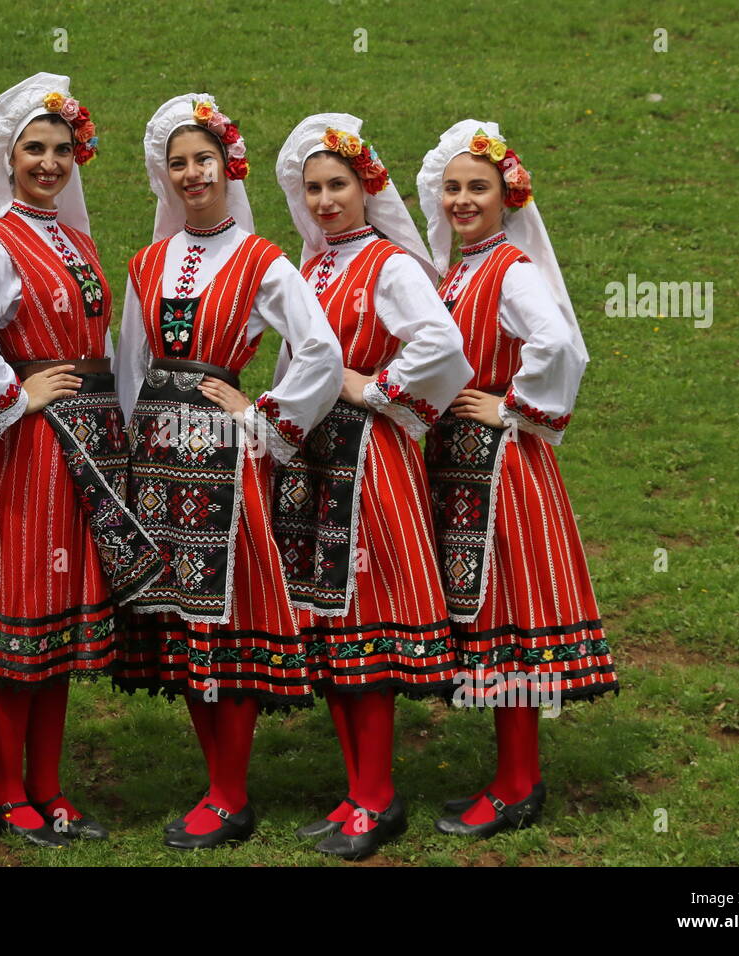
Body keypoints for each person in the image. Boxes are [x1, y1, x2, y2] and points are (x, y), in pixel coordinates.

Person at [0, 73, 160, 850]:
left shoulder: (74, 238)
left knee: (57, 625)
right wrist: (12, 396)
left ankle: (50, 785)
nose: (52, 162)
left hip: (86, 442)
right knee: (23, 614)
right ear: (7, 156)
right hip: (36, 447)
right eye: (36, 148)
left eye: (63, 149)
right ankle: (3, 790)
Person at [113, 94, 344, 850]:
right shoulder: (147, 263)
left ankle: (230, 793)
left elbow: (321, 352)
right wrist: (129, 454)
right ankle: (215, 781)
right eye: (177, 163)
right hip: (157, 454)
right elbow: (131, 366)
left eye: (202, 160)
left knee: (226, 613)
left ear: (226, 167)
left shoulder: (261, 258)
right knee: (184, 616)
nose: (190, 174)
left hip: (221, 450)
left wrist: (263, 416)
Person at [273, 114, 473, 859]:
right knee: (329, 625)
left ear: (366, 188)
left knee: (361, 622)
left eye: (338, 186)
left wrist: (373, 387)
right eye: (313, 187)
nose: (325, 200)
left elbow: (441, 344)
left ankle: (378, 798)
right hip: (315, 458)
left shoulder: (389, 264)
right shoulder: (314, 265)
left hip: (366, 457)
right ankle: (356, 790)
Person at [417, 120, 620, 838]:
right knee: (489, 622)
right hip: (464, 463)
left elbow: (560, 340)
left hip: (503, 468)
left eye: (479, 188)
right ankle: (514, 776)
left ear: (507, 197)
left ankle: (515, 784)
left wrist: (515, 405)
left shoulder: (512, 270)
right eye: (453, 188)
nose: (463, 200)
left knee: (509, 620)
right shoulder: (464, 268)